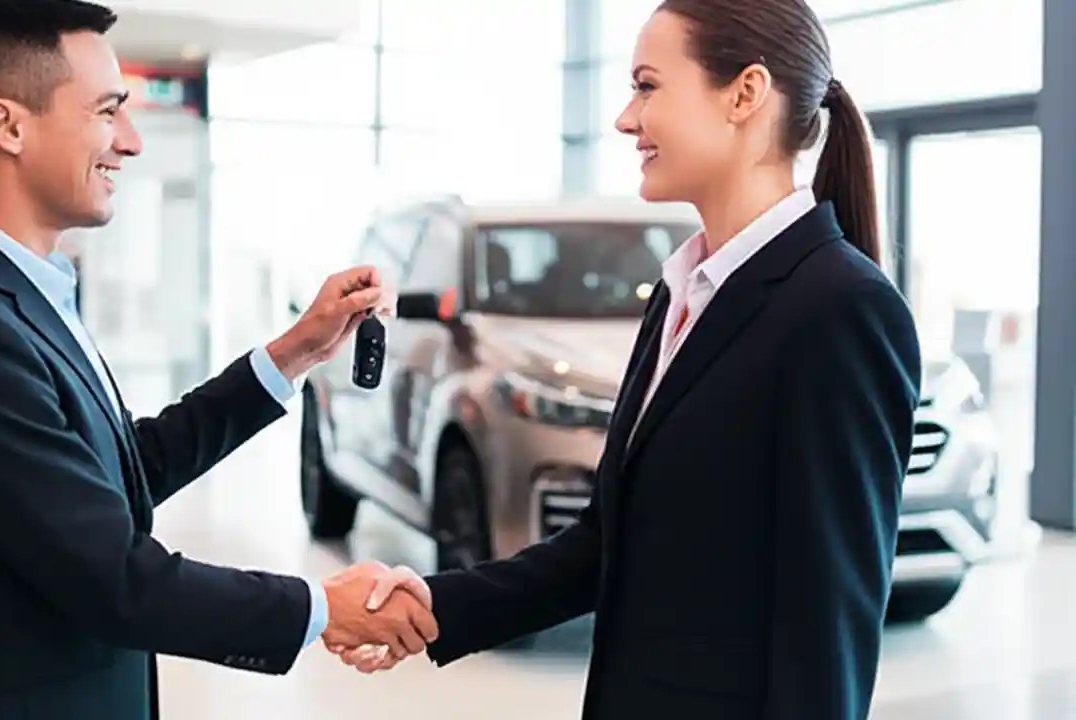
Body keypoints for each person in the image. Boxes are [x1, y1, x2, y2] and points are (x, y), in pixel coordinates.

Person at [334, 1, 922, 718]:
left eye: (648, 86)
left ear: (745, 93)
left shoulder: (839, 308)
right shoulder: (683, 292)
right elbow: (610, 542)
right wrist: (437, 603)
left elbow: (827, 620)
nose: (625, 119)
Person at [0, 1, 435, 718]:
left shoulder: (15, 291)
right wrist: (322, 608)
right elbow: (112, 577)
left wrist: (295, 354)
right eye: (108, 111)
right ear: (8, 125)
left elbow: (115, 476)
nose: (130, 142)